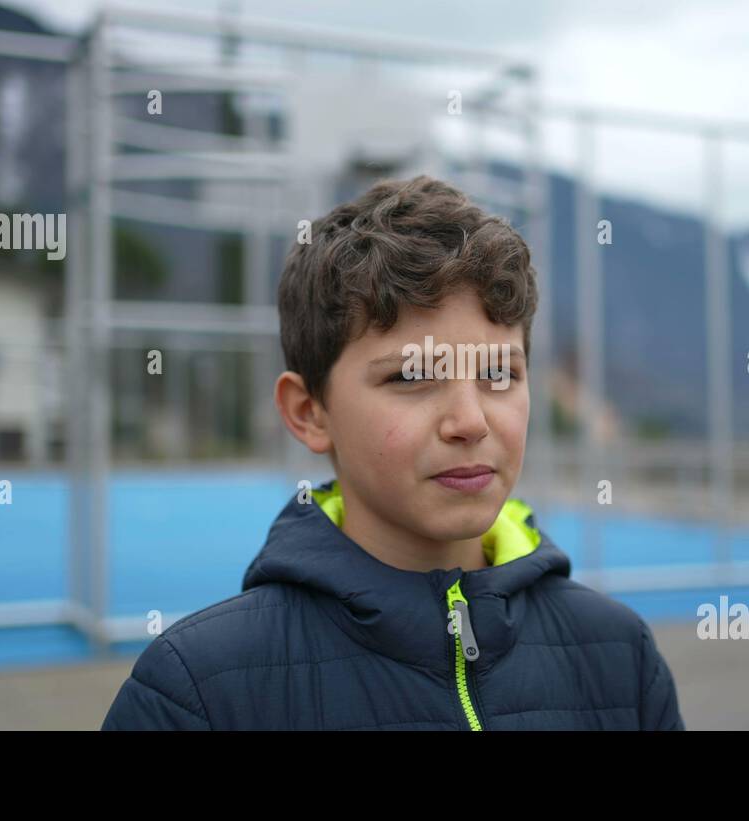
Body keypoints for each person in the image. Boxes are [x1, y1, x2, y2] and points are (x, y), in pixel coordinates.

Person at [101, 175, 685, 730]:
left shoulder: (619, 657)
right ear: (309, 413)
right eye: (412, 377)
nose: (470, 421)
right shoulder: (197, 692)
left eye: (499, 374)